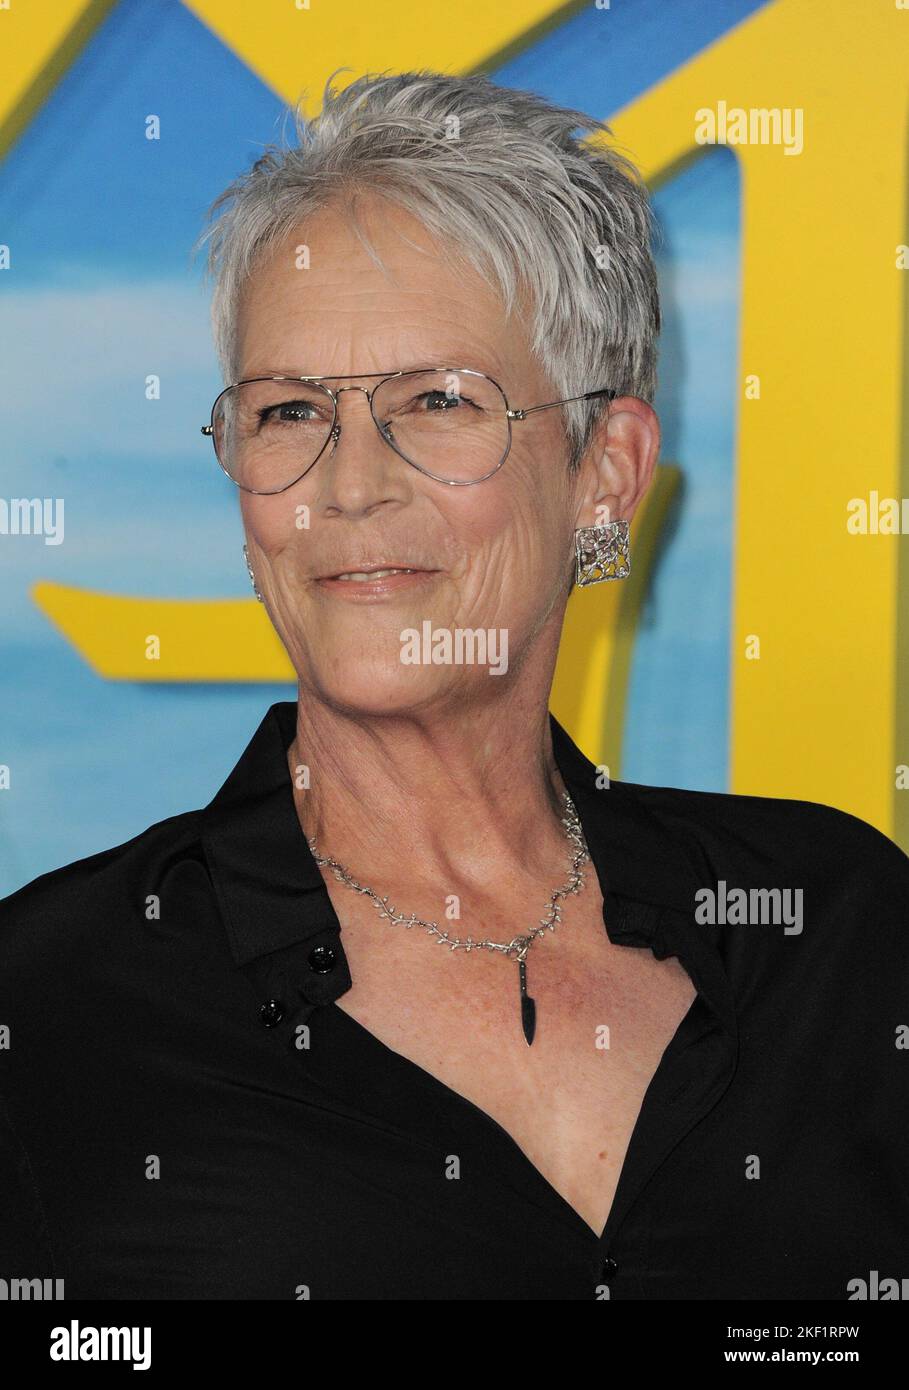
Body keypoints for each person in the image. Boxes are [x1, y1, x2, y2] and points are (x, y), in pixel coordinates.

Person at [1, 69, 907, 1301]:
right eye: (289, 410)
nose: (350, 484)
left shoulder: (837, 929)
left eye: (437, 400)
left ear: (608, 469)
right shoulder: (51, 1005)